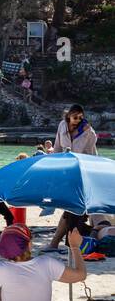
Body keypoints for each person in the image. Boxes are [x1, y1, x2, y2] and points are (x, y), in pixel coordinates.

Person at [49, 105, 99, 249]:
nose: (78, 120)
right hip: (66, 173)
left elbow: (92, 154)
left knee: (73, 208)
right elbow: (57, 147)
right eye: (75, 117)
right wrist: (54, 168)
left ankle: (62, 243)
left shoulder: (88, 132)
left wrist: (88, 133)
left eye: (81, 118)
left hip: (83, 174)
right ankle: (68, 242)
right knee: (71, 208)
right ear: (69, 116)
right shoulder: (62, 126)